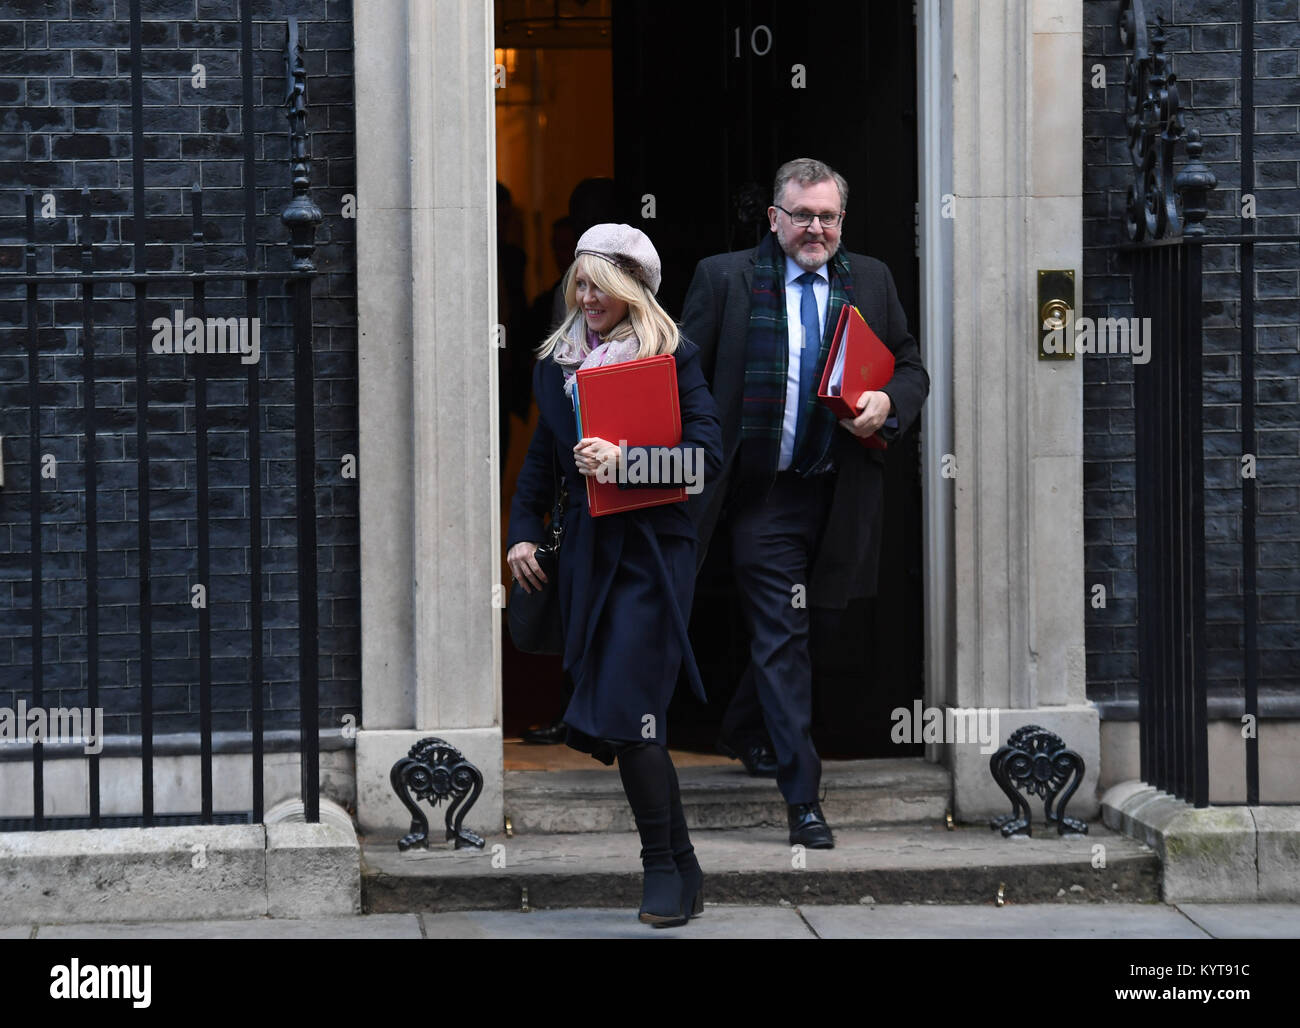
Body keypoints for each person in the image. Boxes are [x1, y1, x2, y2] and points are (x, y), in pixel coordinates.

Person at [680, 158, 930, 849]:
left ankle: (740, 726)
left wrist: (888, 403)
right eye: (802, 215)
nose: (815, 228)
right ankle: (803, 799)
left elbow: (910, 366)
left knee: (817, 629)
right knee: (782, 638)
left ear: (841, 221)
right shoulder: (724, 278)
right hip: (764, 498)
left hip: (843, 491)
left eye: (828, 216)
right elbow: (682, 375)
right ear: (774, 219)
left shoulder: (871, 279)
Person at [507, 224, 723, 926]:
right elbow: (542, 462)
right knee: (632, 723)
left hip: (653, 560)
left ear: (632, 289)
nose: (587, 294)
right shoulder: (560, 364)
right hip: (587, 559)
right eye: (581, 280)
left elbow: (704, 461)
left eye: (601, 281)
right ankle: (684, 866)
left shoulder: (675, 358)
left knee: (631, 716)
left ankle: (661, 868)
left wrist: (626, 461)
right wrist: (520, 537)